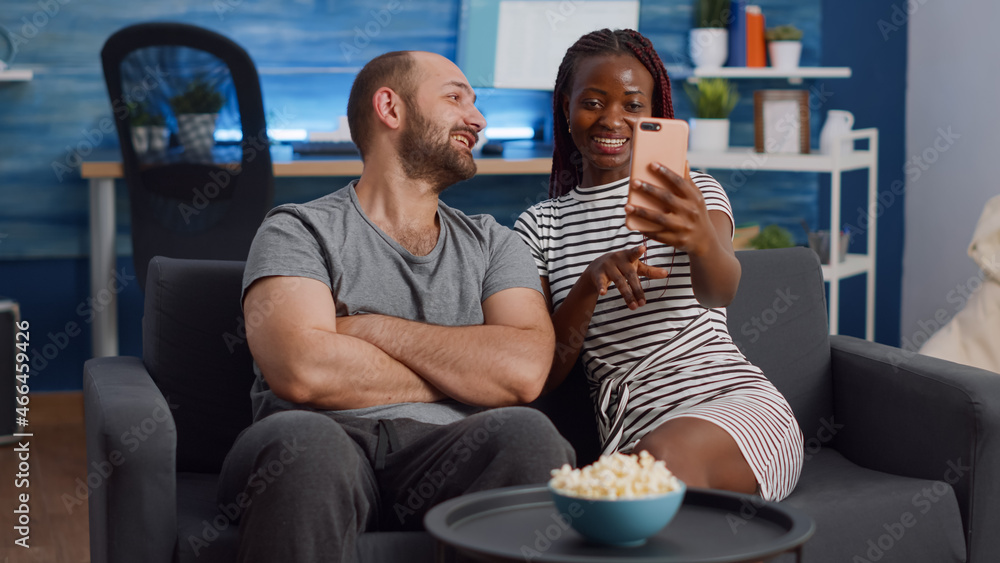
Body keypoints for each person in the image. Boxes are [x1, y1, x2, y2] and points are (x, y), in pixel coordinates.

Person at [217, 50, 575, 562]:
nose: (477, 119)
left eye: (474, 103)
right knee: (308, 446)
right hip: (316, 439)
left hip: (449, 451)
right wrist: (465, 372)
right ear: (390, 107)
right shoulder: (297, 229)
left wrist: (365, 328)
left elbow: (522, 373)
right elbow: (302, 371)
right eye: (455, 98)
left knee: (529, 433)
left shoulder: (496, 244)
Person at [514, 29, 803, 501]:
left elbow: (720, 291)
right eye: (592, 102)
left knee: (656, 468)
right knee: (612, 496)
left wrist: (699, 239)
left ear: (655, 115)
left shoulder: (693, 191)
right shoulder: (540, 226)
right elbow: (544, 372)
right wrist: (589, 283)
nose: (612, 120)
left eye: (632, 105)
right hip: (631, 438)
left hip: (733, 409)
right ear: (566, 106)